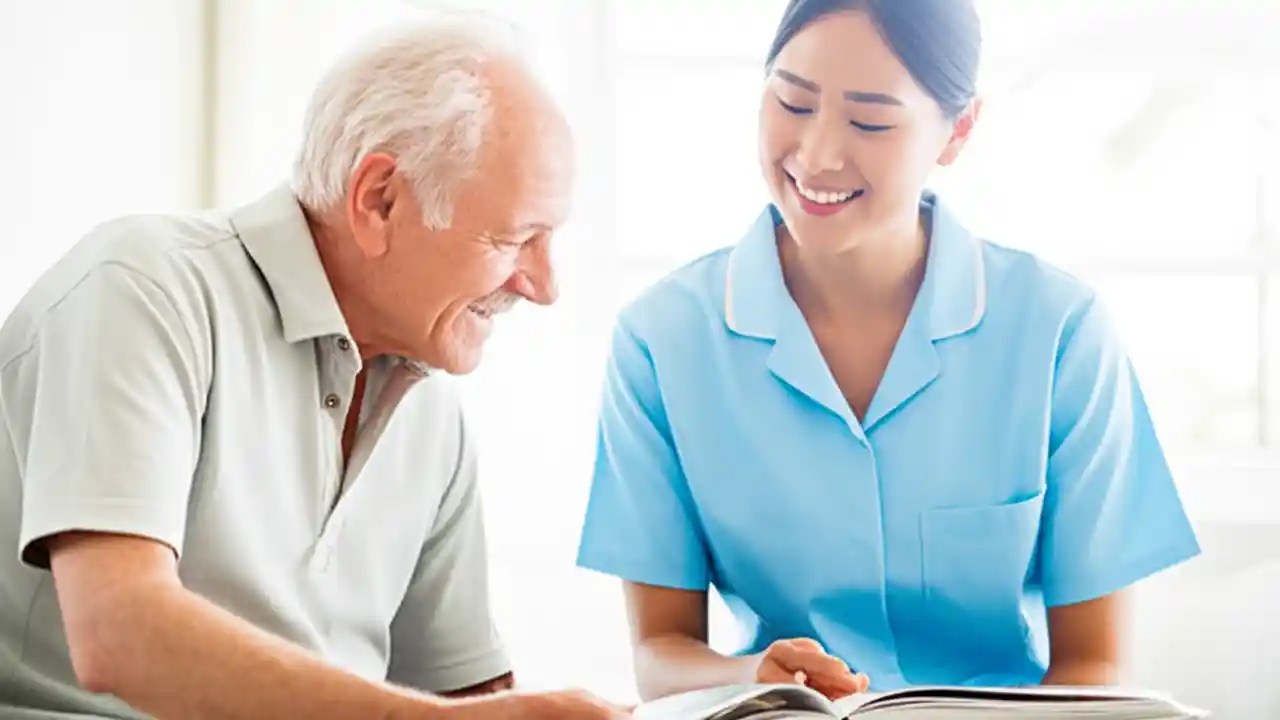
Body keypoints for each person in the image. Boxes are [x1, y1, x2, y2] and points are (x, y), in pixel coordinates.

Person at [0, 14, 628, 720]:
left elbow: (467, 701)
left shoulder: (431, 415)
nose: (543, 286)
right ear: (378, 200)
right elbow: (117, 632)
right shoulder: (145, 289)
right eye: (517, 239)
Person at [576, 0, 1201, 700]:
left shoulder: (1061, 331)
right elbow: (661, 653)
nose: (817, 155)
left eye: (870, 120)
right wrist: (754, 675)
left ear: (957, 130)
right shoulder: (661, 341)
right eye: (792, 101)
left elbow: (1095, 668)